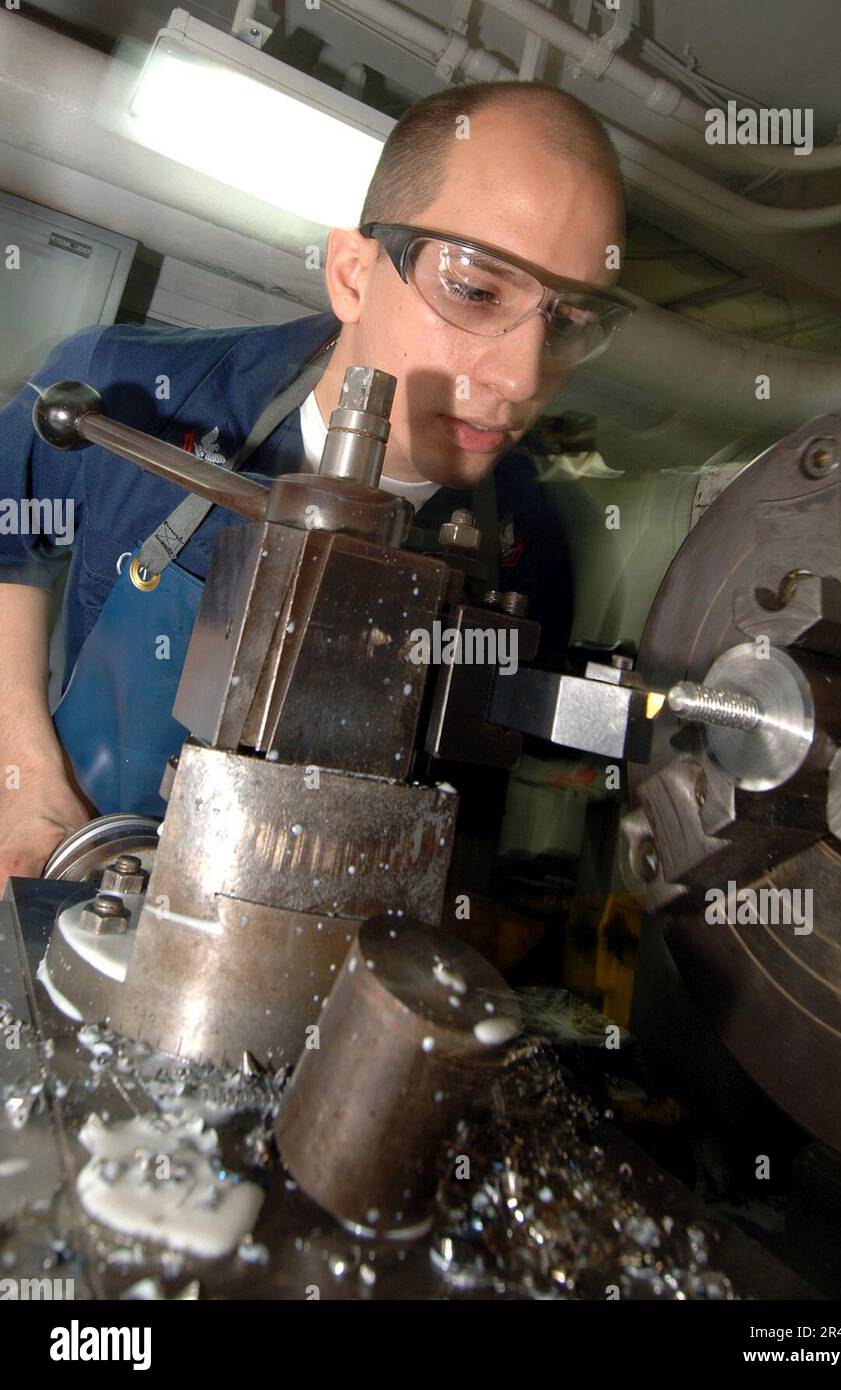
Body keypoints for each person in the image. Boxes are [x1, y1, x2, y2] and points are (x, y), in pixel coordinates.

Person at [0, 79, 630, 891]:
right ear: (352, 275)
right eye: (476, 291)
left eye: (570, 321)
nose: (519, 377)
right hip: (73, 886)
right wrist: (24, 778)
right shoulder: (131, 394)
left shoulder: (529, 549)